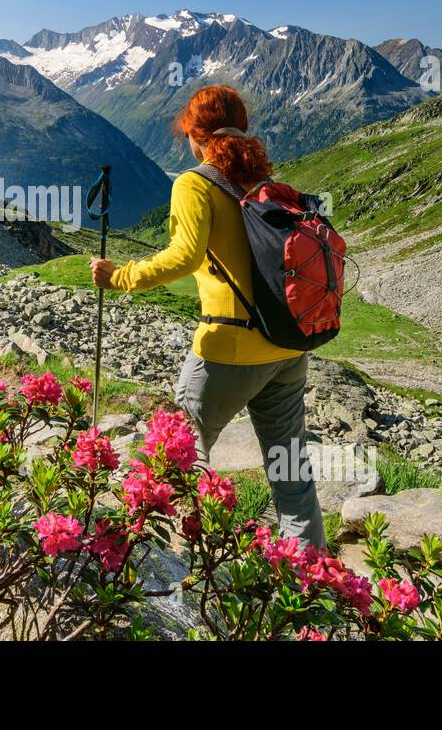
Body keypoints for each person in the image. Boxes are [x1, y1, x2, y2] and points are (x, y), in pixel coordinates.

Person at [89, 84, 324, 548]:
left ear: (195, 137)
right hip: (288, 345)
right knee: (290, 467)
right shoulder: (266, 185)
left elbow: (182, 257)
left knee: (178, 451)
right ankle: (310, 577)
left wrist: (119, 277)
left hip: (228, 347)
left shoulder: (194, 183)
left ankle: (172, 562)